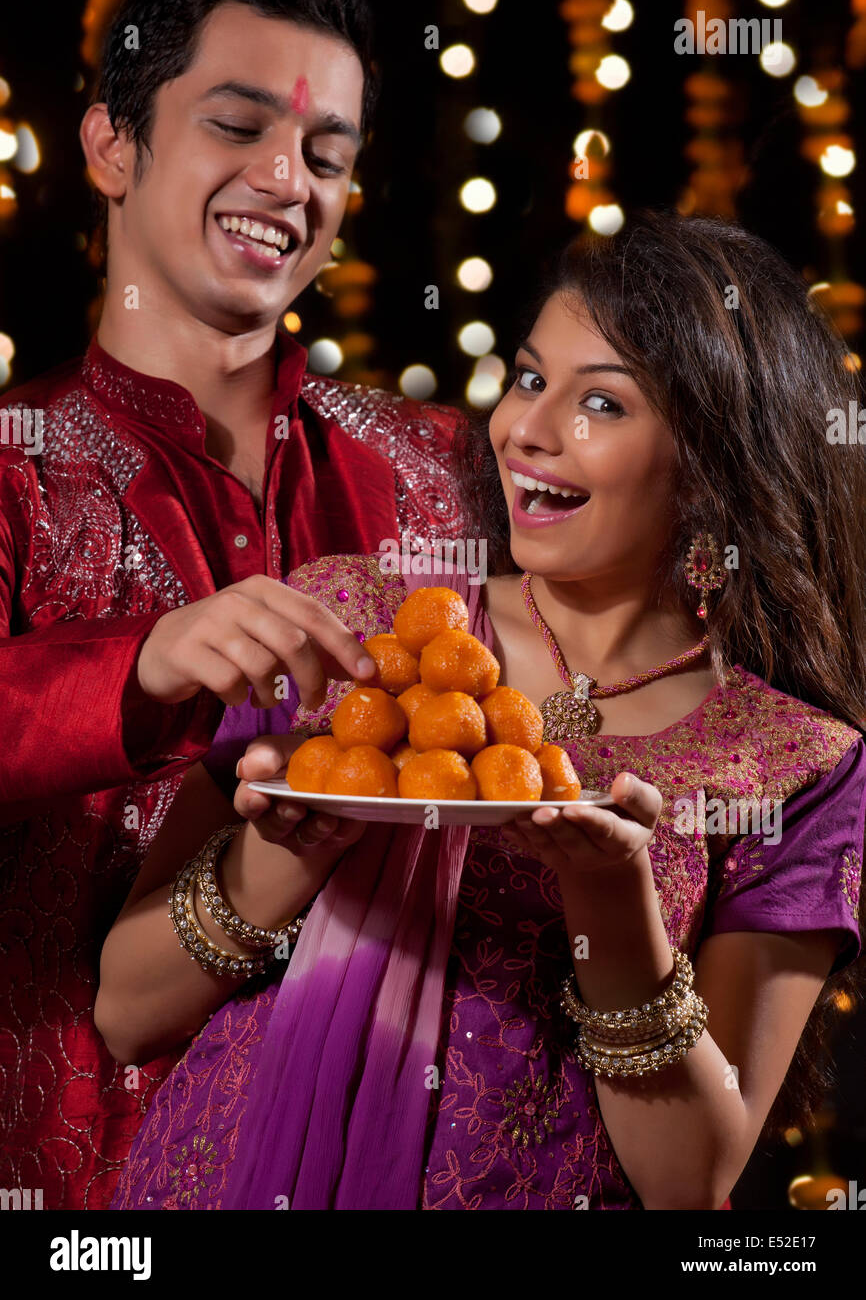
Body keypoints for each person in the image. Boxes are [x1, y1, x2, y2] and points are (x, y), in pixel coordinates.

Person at [101, 211, 866, 1210]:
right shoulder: (357, 633)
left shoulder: (795, 761)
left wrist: (608, 898)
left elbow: (688, 1179)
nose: (525, 429)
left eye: (600, 402)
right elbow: (126, 1011)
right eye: (528, 377)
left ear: (716, 461)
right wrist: (294, 846)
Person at [0, 0, 467, 1209]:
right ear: (109, 147)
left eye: (326, 153)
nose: (285, 180)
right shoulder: (14, 467)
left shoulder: (428, 476)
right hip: (75, 1177)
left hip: (379, 1162)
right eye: (237, 124)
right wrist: (136, 662)